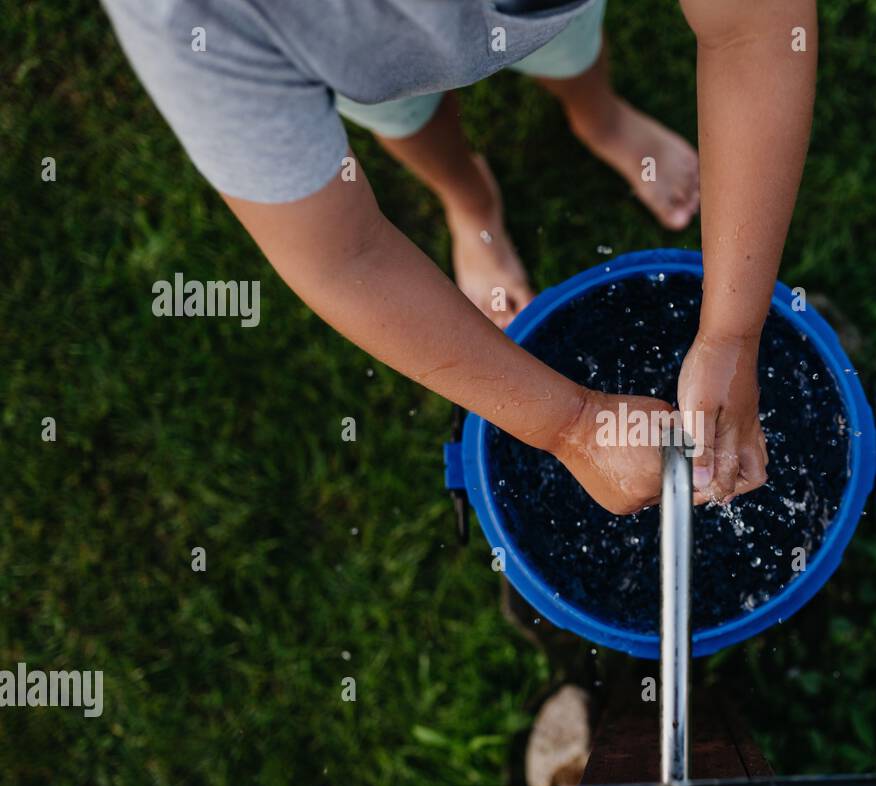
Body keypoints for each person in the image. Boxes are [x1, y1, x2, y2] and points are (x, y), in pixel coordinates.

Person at [102, 0, 817, 514]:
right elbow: (339, 257)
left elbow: (753, 29)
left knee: (568, 47)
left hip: (551, 14)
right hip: (370, 63)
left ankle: (597, 117)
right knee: (405, 113)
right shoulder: (192, 16)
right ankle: (469, 199)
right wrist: (569, 427)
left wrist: (732, 332)